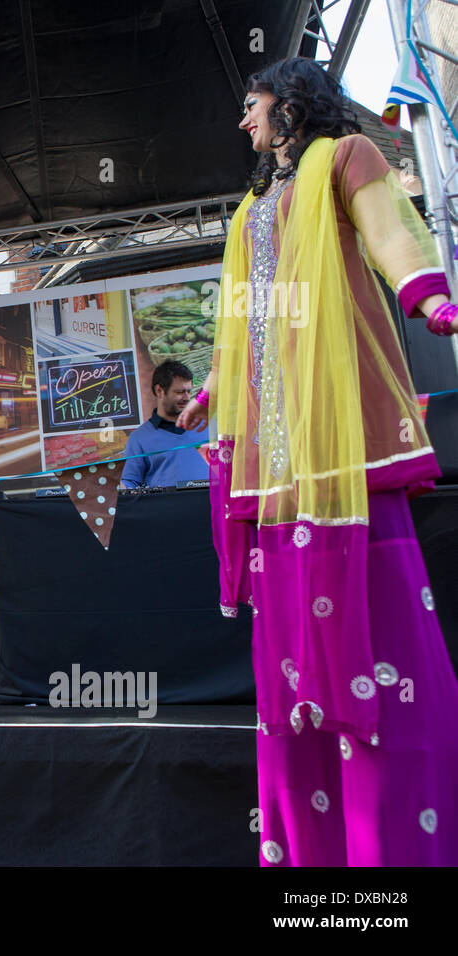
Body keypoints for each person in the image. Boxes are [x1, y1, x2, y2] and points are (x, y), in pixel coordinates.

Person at [177, 58, 458, 866]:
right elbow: (246, 320)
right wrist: (214, 393)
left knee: (377, 641)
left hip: (342, 438)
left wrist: (431, 297)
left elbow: (394, 233)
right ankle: (313, 850)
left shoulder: (347, 158)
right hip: (278, 459)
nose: (244, 121)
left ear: (291, 103)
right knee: (292, 666)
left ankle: (395, 848)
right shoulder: (251, 212)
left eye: (252, 104)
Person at [121, 360, 209, 488]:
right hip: (165, 507)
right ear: (159, 391)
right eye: (179, 392)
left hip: (211, 507)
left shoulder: (206, 425)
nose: (186, 397)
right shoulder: (139, 439)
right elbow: (128, 483)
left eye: (189, 391)